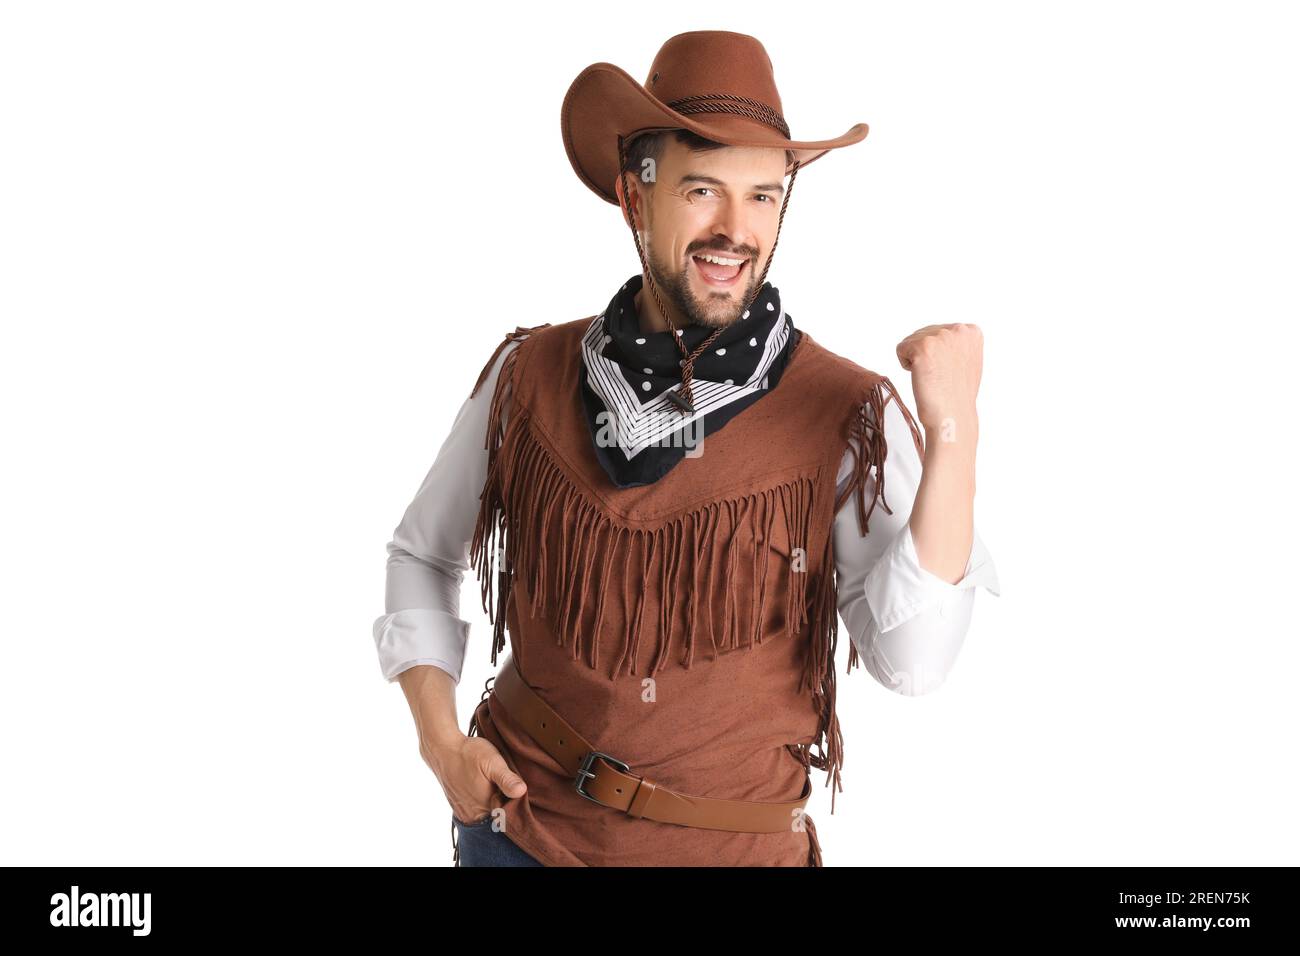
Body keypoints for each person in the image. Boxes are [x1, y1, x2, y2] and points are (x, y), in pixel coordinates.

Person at [373, 31, 1000, 867]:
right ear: (638, 199)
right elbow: (421, 552)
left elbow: (915, 665)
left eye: (763, 197)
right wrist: (440, 743)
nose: (734, 231)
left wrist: (953, 433)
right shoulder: (530, 374)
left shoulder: (848, 414)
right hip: (520, 841)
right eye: (703, 189)